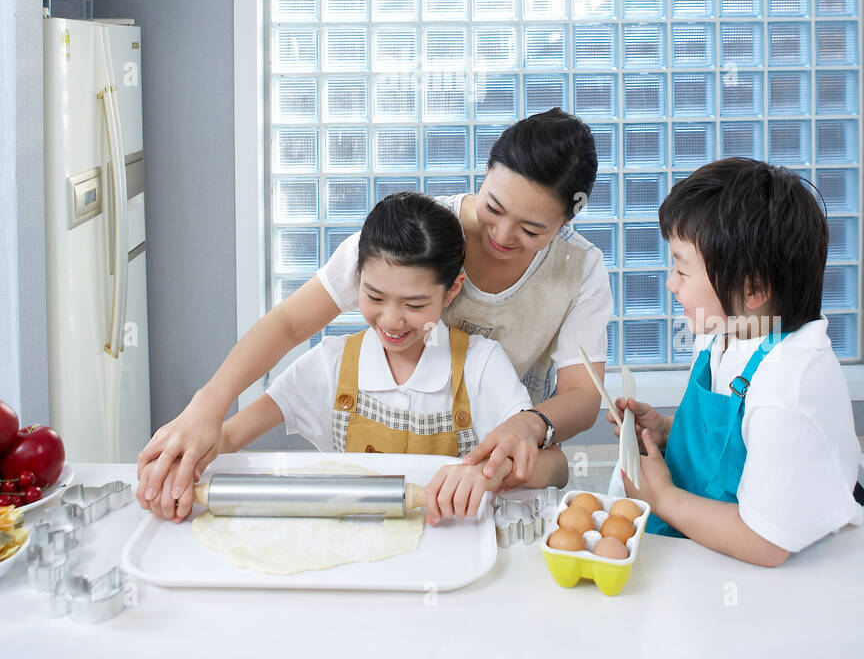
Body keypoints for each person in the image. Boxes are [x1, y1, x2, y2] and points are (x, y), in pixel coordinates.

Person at [137, 108, 613, 521]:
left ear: (567, 223)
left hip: (499, 448)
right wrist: (206, 408)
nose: (503, 235)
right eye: (494, 206)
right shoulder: (415, 236)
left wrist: (526, 429)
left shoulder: (578, 273)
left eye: (532, 229)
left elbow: (581, 398)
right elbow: (289, 322)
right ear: (486, 173)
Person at [214, 192, 568, 522]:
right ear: (357, 282)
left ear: (452, 291)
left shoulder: (480, 365)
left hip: (452, 550)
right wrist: (185, 447)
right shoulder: (330, 365)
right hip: (355, 549)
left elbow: (557, 465)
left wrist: (489, 474)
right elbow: (229, 437)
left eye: (414, 305)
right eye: (375, 297)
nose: (391, 321)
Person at [606, 159, 863, 565]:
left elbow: (765, 543)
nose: (671, 283)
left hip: (783, 566)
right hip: (709, 537)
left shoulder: (788, 387)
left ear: (753, 287)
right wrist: (669, 432)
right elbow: (737, 441)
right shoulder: (723, 329)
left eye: (681, 269)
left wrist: (663, 498)